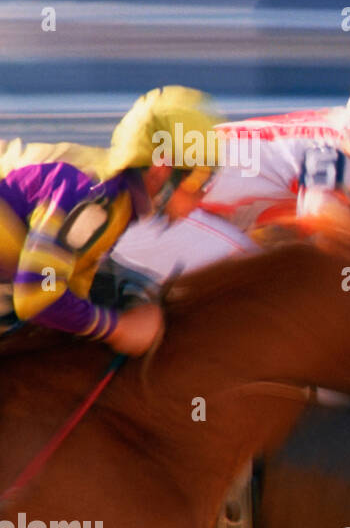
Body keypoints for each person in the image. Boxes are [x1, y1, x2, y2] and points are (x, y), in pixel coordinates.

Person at [108, 49, 350, 282]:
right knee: (264, 281)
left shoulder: (336, 139)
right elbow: (324, 231)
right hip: (149, 212)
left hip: (153, 207)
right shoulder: (336, 146)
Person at [0, 85, 222, 355]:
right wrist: (118, 328)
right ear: (161, 170)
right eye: (201, 181)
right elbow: (38, 297)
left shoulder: (116, 200)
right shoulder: (95, 203)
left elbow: (69, 286)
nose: (202, 196)